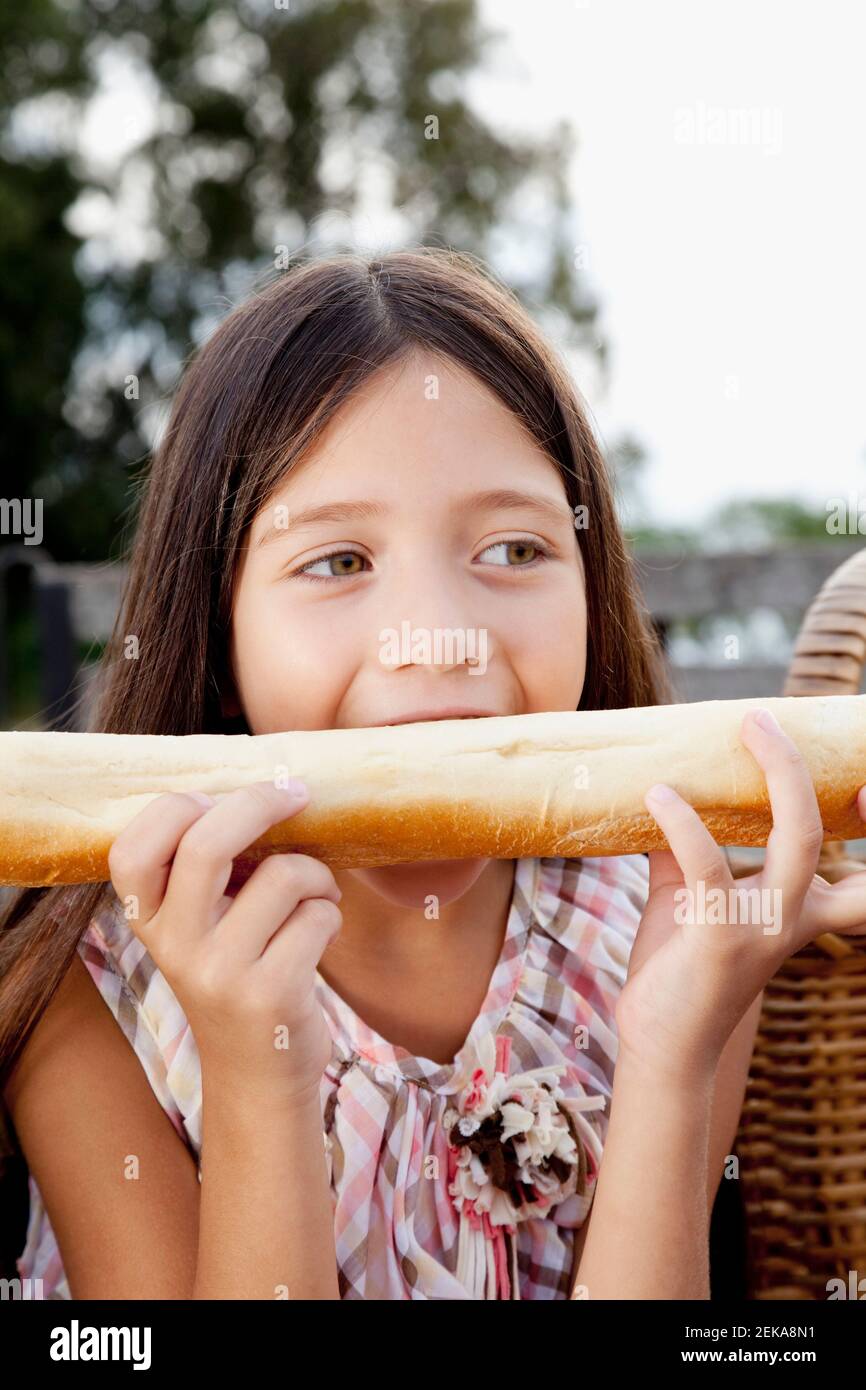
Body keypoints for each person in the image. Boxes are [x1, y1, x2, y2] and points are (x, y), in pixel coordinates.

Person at [3, 248, 865, 1300]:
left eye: (511, 549)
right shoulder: (77, 991)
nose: (441, 638)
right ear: (216, 641)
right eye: (337, 562)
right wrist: (256, 1073)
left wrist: (670, 1052)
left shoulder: (675, 921)